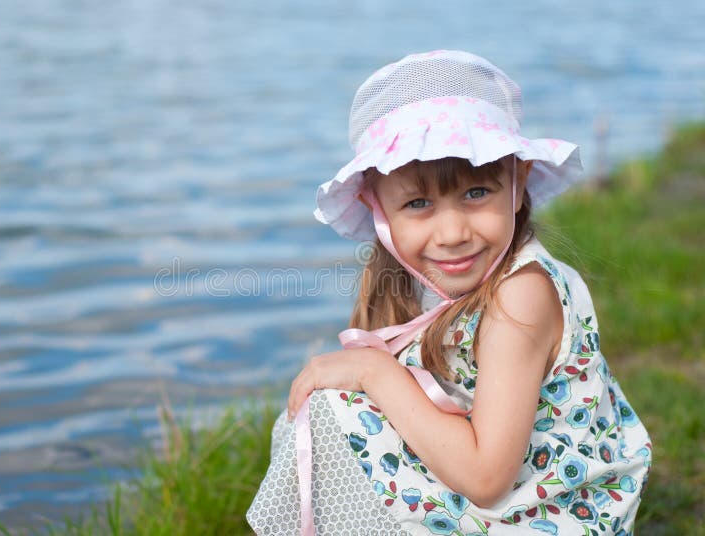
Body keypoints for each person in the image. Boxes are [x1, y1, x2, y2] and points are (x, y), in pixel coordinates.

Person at [247, 50, 651, 535]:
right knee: (328, 407)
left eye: (476, 193)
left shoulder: (520, 295)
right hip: (511, 499)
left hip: (546, 516)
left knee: (336, 412)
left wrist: (375, 371)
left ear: (518, 182)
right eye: (418, 203)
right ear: (377, 208)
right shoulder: (433, 280)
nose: (453, 233)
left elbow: (486, 478)